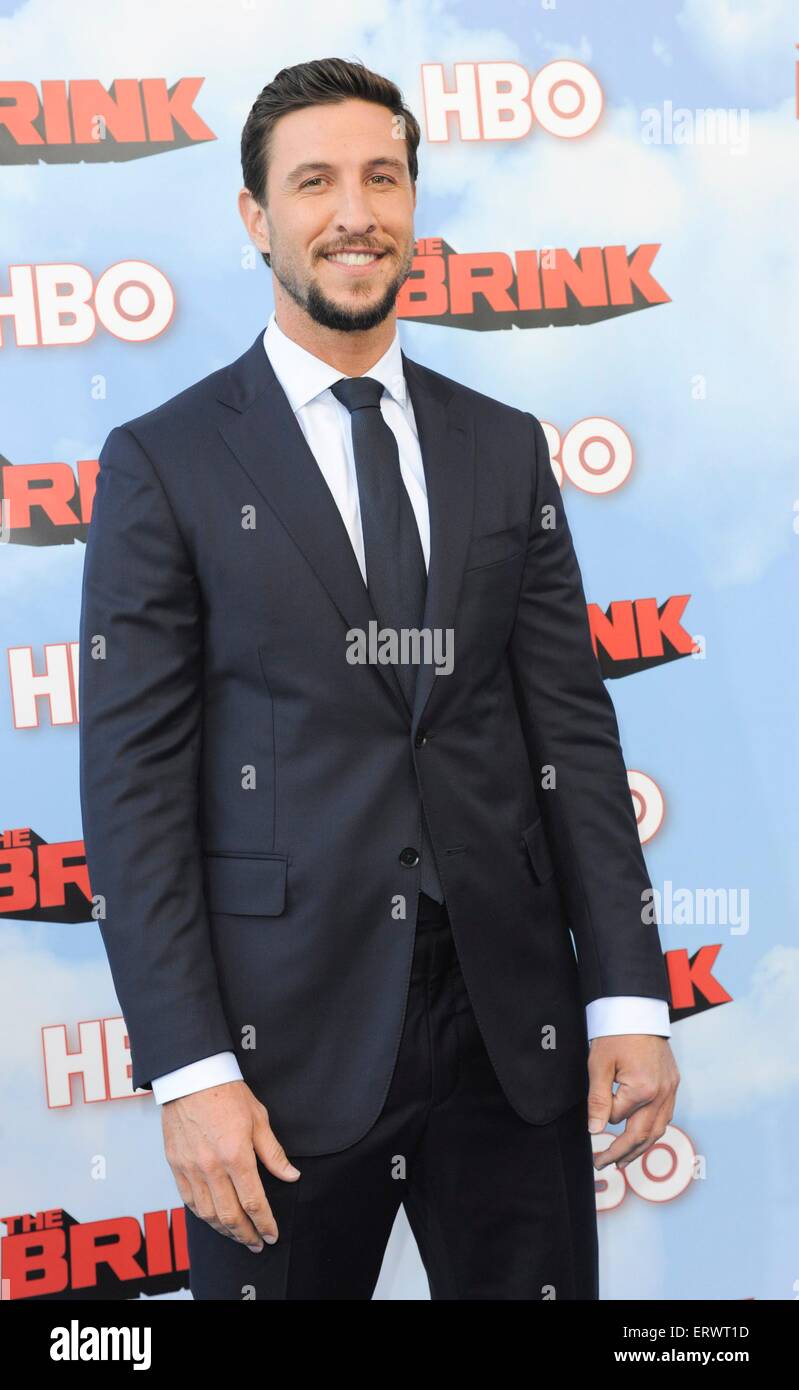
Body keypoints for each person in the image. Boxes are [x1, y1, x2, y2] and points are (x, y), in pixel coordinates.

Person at [78, 57, 679, 1301]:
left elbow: (571, 724)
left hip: (511, 1032)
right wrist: (190, 1070)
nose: (354, 211)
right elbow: (132, 793)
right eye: (314, 182)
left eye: (381, 177)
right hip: (278, 1055)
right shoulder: (164, 462)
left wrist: (628, 991)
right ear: (257, 218)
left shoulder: (502, 449)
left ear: (412, 204)